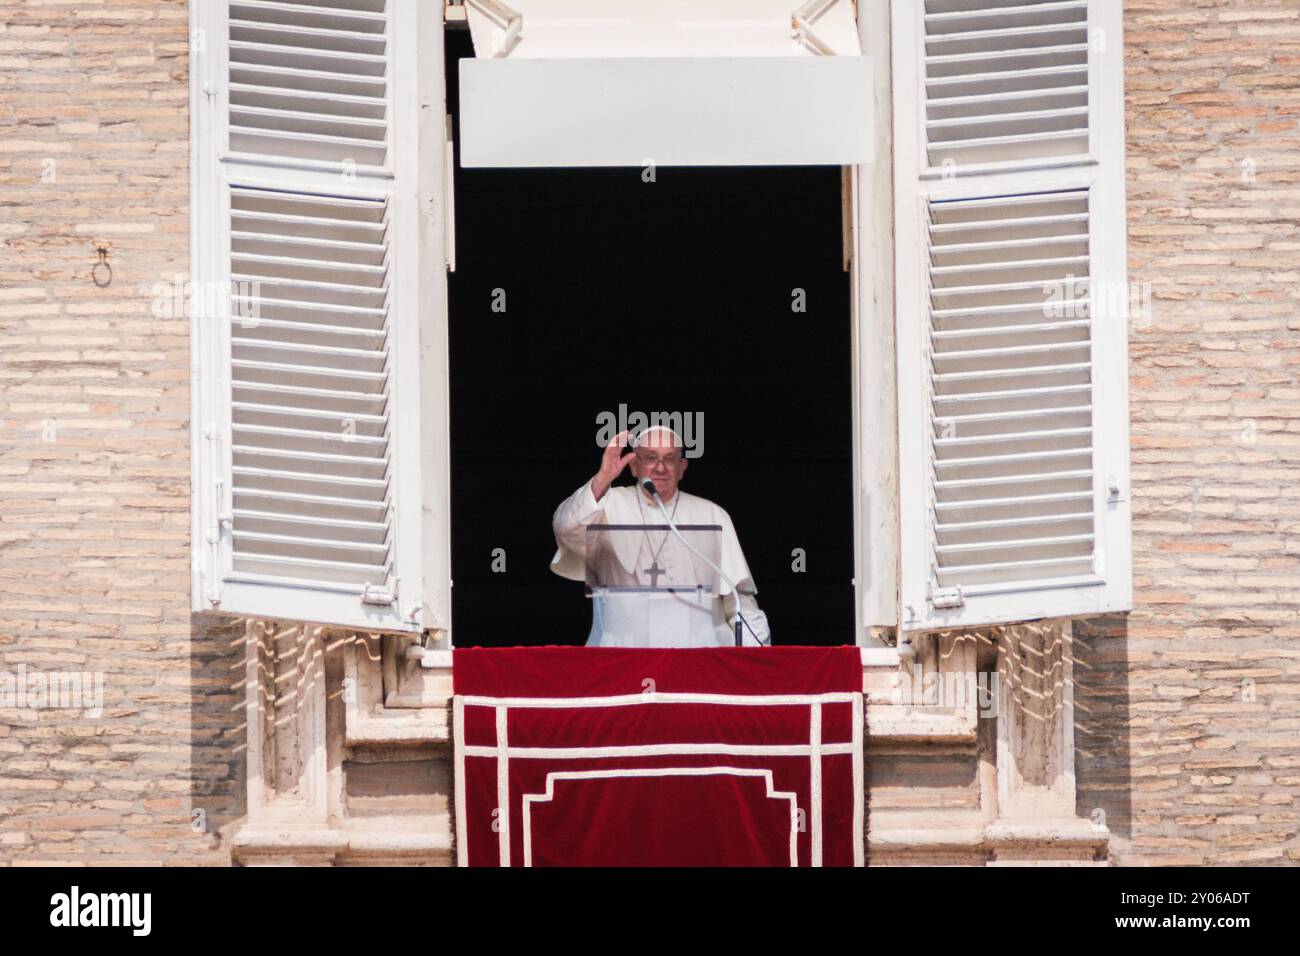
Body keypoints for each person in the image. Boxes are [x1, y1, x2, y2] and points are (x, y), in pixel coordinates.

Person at [551, 425, 771, 648]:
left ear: (682, 467)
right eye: (650, 458)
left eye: (670, 458)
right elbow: (566, 528)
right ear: (634, 465)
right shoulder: (606, 504)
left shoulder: (713, 514)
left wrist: (754, 661)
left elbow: (740, 601)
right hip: (621, 653)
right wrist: (603, 477)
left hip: (700, 655)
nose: (660, 467)